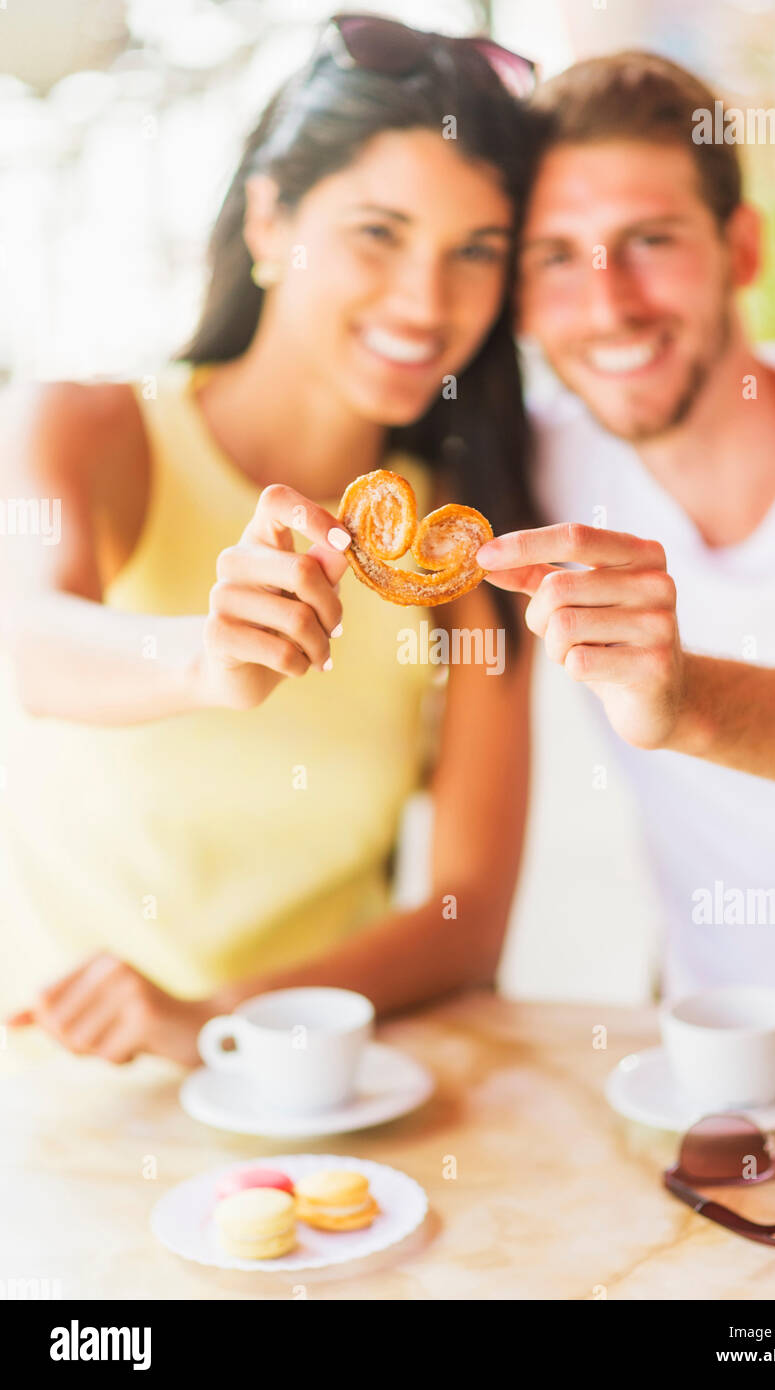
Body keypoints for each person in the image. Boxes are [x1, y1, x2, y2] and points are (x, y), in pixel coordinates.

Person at [0, 16, 542, 1065]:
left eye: (474, 252)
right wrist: (201, 659)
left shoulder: (462, 540)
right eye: (378, 232)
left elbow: (466, 920)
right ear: (267, 220)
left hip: (320, 1092)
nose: (426, 302)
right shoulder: (85, 426)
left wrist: (221, 1022)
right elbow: (24, 637)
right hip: (60, 1095)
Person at [477, 52, 775, 1062]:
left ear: (739, 248)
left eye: (649, 240)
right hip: (717, 1076)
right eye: (555, 257)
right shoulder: (540, 460)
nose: (609, 303)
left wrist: (686, 701)